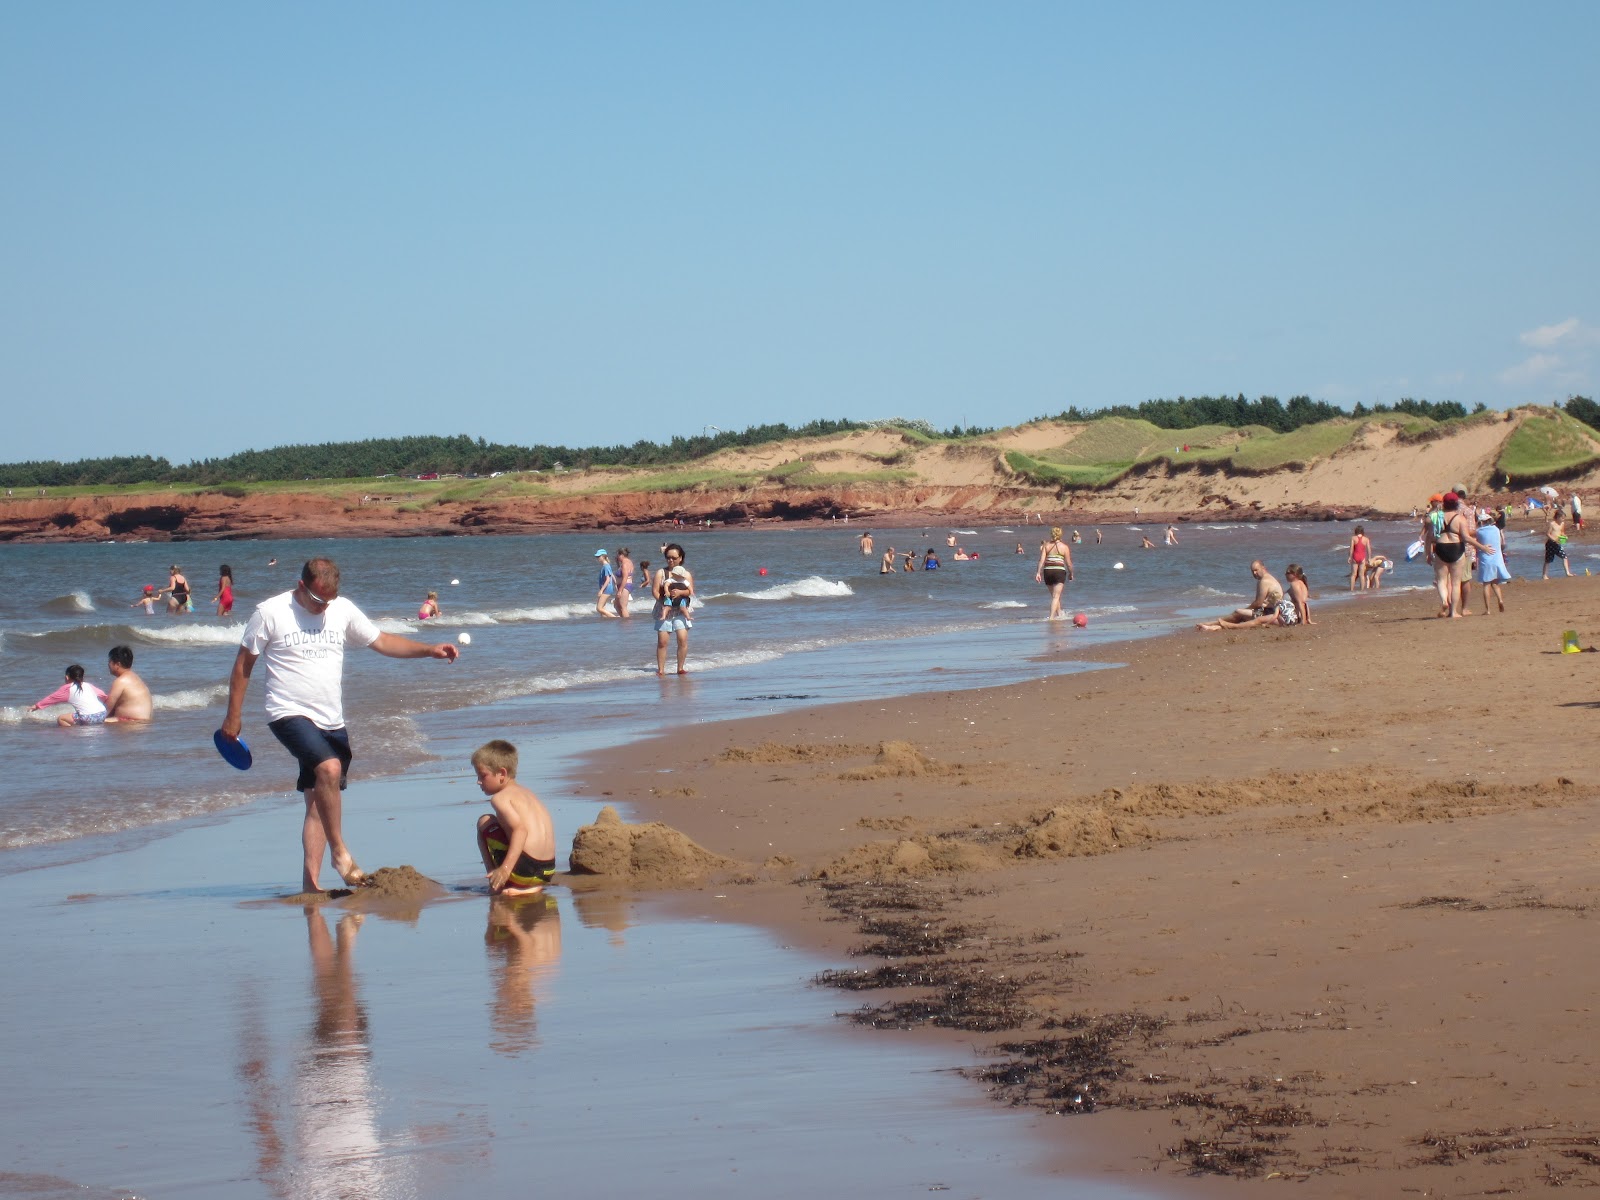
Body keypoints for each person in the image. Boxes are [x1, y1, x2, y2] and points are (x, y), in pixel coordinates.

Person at [220, 557, 459, 894]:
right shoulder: (270, 612)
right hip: (287, 712)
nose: (324, 607)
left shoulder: (341, 609)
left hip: (332, 720)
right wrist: (233, 714)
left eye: (329, 600)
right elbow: (244, 664)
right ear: (301, 586)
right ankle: (341, 854)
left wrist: (428, 650)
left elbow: (382, 640)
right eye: (318, 600)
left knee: (318, 800)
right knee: (329, 770)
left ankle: (311, 886)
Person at [472, 740, 556, 896]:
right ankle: (529, 886)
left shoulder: (500, 798)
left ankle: (496, 882)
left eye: (483, 775)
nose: (478, 781)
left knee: (484, 821)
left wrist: (504, 870)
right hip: (547, 871)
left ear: (502, 774)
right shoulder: (528, 794)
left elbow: (521, 830)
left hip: (525, 871)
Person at [1195, 560, 1284, 630]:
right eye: (1252, 571)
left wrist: (1246, 609)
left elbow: (1258, 603)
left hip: (1269, 612)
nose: (1254, 573)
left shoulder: (1264, 581)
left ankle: (1212, 623)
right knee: (1241, 616)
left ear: (1263, 568)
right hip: (1271, 610)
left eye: (1256, 570)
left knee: (1238, 612)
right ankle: (1213, 627)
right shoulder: (1269, 578)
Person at [1427, 493, 1473, 616]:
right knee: (1456, 582)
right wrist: (1482, 547)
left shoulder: (1436, 517)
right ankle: (1453, 612)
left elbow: (1429, 537)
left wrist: (1428, 553)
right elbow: (1466, 538)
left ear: (1444, 503)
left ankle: (1444, 601)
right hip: (1456, 548)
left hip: (1441, 547)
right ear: (1456, 504)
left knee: (1441, 580)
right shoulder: (1460, 518)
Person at [652, 542, 693, 676]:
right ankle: (661, 670)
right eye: (668, 557)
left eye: (674, 558)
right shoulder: (661, 573)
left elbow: (689, 592)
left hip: (680, 610)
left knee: (682, 639)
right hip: (664, 608)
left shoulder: (685, 574)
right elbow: (655, 591)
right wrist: (665, 601)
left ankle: (680, 668)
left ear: (680, 558)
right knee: (662, 641)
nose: (670, 560)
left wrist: (680, 593)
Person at [32, 664, 110, 727]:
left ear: (67, 677)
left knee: (61, 719)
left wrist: (37, 706)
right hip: (102, 714)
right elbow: (102, 695)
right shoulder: (88, 685)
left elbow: (52, 698)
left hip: (88, 718)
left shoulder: (67, 688)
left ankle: (71, 732)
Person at [1034, 526, 1075, 621]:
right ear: (1060, 534)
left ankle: (1059, 613)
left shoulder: (1046, 546)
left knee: (1055, 596)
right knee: (1056, 596)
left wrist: (1038, 573)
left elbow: (1041, 560)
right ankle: (1052, 617)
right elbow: (1069, 563)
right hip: (1059, 572)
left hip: (1047, 571)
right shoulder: (1064, 547)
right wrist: (1071, 573)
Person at [104, 645, 153, 722]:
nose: (108, 664)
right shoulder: (136, 678)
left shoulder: (121, 681)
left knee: (93, 722)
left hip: (132, 722)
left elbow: (107, 708)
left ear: (117, 665)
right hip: (143, 722)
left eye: (110, 661)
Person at [1475, 514, 1511, 614]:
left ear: (1481, 522)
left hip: (1485, 560)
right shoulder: (1496, 529)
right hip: (1497, 559)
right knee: (1495, 583)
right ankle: (1500, 600)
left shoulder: (1479, 531)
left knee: (1486, 584)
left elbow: (1475, 542)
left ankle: (1488, 610)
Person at [1543, 510, 1574, 580]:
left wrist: (1565, 536)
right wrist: (1553, 539)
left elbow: (1562, 532)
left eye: (1564, 518)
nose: (1563, 520)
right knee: (1548, 560)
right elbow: (1548, 534)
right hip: (1550, 544)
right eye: (1562, 518)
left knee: (1564, 556)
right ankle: (1544, 575)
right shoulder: (1552, 524)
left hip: (1557, 544)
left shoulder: (1562, 524)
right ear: (1558, 517)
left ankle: (1568, 573)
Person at [594, 549, 619, 617]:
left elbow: (608, 580)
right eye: (597, 557)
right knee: (603, 608)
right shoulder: (606, 566)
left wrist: (601, 590)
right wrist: (616, 584)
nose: (597, 558)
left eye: (598, 556)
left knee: (599, 608)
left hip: (606, 590)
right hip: (607, 589)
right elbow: (612, 575)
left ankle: (615, 618)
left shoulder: (606, 566)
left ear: (603, 556)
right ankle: (604, 624)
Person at [1348, 526, 1370, 592]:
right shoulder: (1366, 539)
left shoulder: (1353, 538)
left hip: (1355, 556)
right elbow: (1369, 549)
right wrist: (1369, 557)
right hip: (1362, 557)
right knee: (1361, 575)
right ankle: (1362, 590)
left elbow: (1351, 548)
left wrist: (1349, 557)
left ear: (1356, 531)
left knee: (1353, 575)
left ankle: (1351, 590)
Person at [614, 547, 635, 618]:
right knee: (616, 605)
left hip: (625, 586)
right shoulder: (627, 562)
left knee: (623, 606)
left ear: (622, 555)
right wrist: (617, 562)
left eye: (618, 555)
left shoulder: (625, 564)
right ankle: (623, 619)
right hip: (624, 586)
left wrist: (620, 591)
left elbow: (625, 577)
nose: (617, 557)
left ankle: (626, 623)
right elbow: (620, 572)